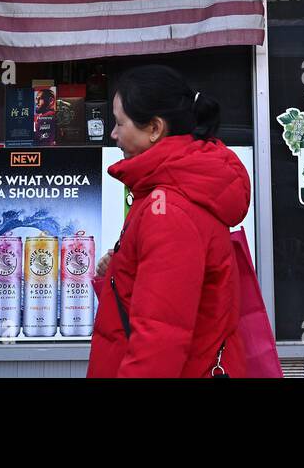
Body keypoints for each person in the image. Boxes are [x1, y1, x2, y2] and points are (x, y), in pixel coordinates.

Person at [87, 65, 251, 378]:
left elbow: (159, 340)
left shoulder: (170, 210)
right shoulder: (172, 189)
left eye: (120, 123)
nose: (114, 134)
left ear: (154, 128)